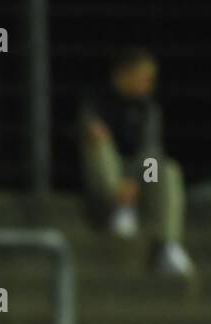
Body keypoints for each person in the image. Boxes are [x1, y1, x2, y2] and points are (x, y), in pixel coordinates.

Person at [79, 47, 194, 277]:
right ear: (124, 74)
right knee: (99, 141)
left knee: (167, 168)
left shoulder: (149, 108)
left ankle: (167, 244)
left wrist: (133, 179)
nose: (148, 84)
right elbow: (86, 128)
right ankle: (120, 208)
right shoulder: (96, 99)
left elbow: (151, 148)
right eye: (143, 77)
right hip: (105, 175)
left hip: (138, 175)